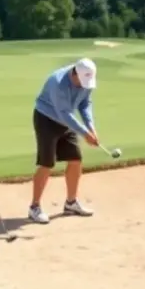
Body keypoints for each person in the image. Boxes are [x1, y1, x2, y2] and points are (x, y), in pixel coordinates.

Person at [28, 58, 100, 224]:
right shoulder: (58, 82)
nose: (84, 85)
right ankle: (34, 207)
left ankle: (71, 203)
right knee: (47, 163)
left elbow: (85, 104)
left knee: (75, 160)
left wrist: (91, 127)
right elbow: (64, 113)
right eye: (82, 81)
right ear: (74, 73)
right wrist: (84, 133)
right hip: (46, 118)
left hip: (67, 121)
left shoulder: (86, 81)